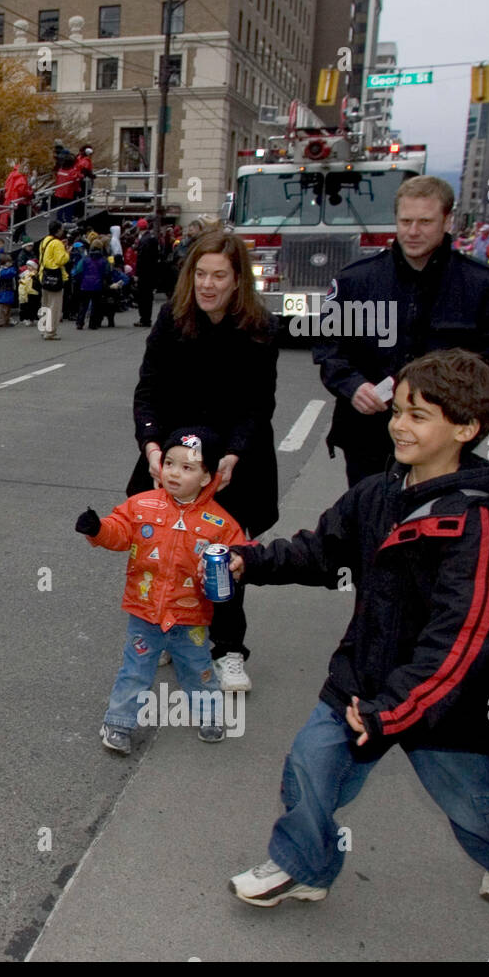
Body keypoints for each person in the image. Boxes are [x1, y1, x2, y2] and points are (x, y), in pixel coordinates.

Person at [228, 349, 489, 908]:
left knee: (470, 797)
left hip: (446, 700)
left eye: (419, 415)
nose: (398, 424)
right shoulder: (379, 492)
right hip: (363, 675)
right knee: (310, 766)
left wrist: (394, 710)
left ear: (467, 429)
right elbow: (322, 551)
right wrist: (249, 561)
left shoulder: (475, 524)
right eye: (397, 410)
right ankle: (306, 865)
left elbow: (464, 639)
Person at [129, 229, 278, 694]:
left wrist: (232, 455)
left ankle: (228, 649)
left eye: (219, 275)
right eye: (200, 274)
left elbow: (258, 406)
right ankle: (174, 629)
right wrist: (152, 448)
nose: (208, 284)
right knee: (165, 551)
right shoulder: (172, 321)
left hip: (233, 458)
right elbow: (148, 391)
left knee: (222, 557)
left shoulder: (260, 328)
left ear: (238, 282)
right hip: (172, 455)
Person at [314, 176, 489, 488]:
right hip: (368, 438)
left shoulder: (484, 286)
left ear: (447, 221)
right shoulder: (355, 282)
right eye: (405, 220)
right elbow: (329, 349)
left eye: (425, 221)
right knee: (369, 527)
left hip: (444, 441)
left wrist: (443, 407)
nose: (412, 231)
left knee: (433, 529)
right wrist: (353, 386)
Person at [76, 428, 246, 753]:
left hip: (191, 615)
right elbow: (120, 532)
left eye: (187, 467)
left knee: (199, 670)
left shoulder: (220, 522)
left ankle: (210, 715)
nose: (174, 473)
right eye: (169, 463)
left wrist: (237, 563)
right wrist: (98, 530)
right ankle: (118, 724)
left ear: (207, 475)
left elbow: (238, 551)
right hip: (145, 611)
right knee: (135, 670)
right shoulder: (142, 505)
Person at [37, 221, 69, 340]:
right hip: (55, 276)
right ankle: (50, 332)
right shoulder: (57, 243)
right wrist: (66, 252)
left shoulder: (44, 241)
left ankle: (43, 328)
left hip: (44, 275)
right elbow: (61, 260)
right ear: (58, 230)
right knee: (54, 306)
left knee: (45, 304)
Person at [132, 219, 160, 326]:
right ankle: (147, 318)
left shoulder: (143, 241)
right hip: (152, 273)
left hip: (144, 274)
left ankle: (144, 319)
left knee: (143, 297)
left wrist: (137, 274)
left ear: (139, 228)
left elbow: (141, 259)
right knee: (148, 297)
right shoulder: (153, 239)